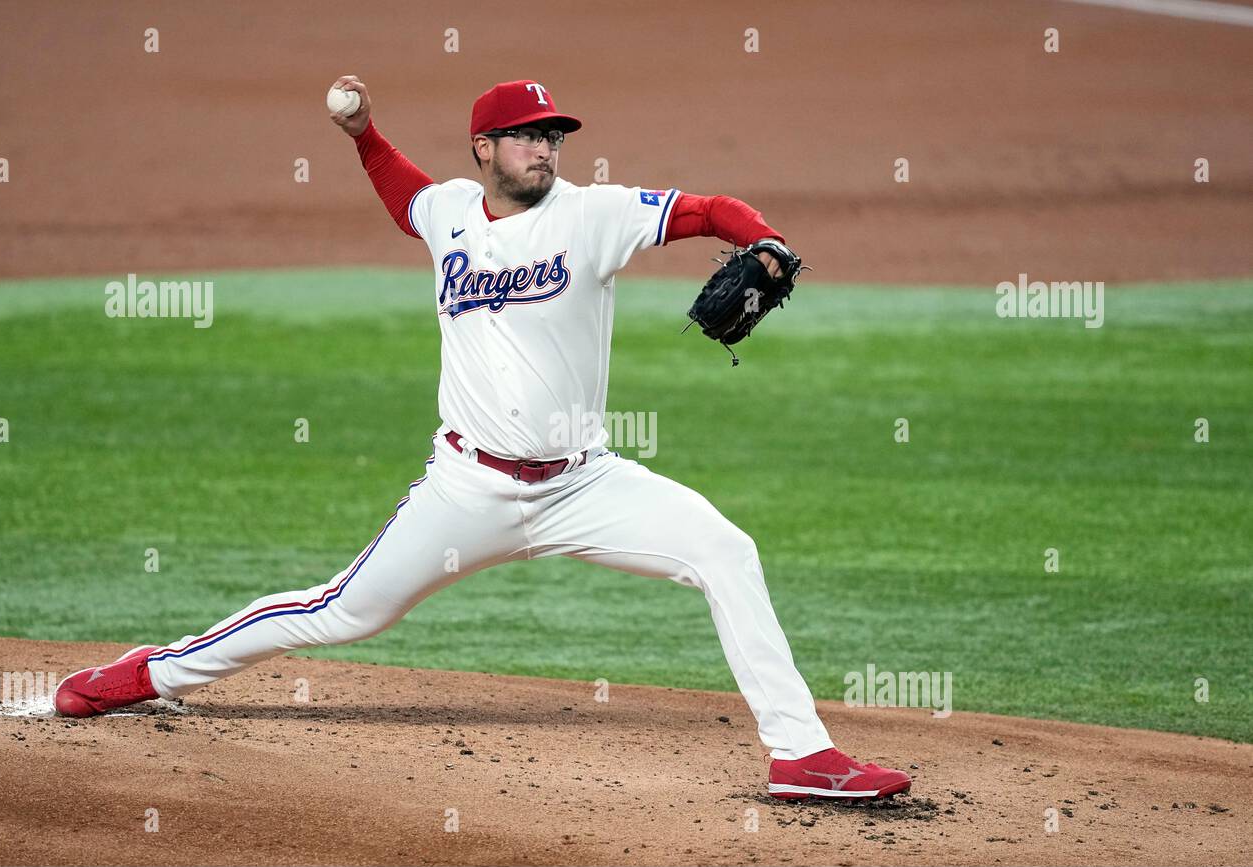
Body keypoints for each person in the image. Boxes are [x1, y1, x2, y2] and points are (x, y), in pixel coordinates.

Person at [54, 78, 911, 801]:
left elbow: (705, 208)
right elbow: (403, 196)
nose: (545, 148)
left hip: (584, 485)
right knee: (342, 612)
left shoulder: (595, 214)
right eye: (527, 136)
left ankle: (801, 754)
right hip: (465, 491)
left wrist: (761, 237)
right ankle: (154, 671)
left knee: (726, 551)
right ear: (484, 149)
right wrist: (362, 133)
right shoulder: (449, 212)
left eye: (552, 136)